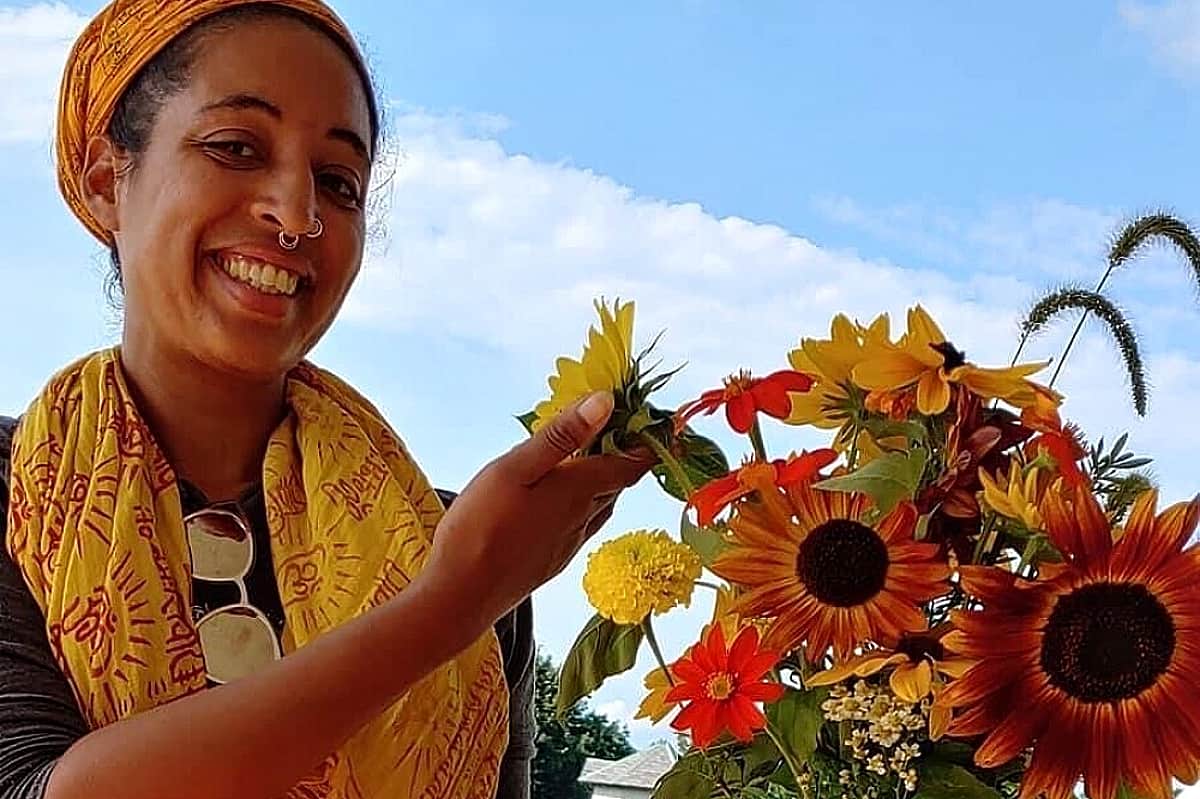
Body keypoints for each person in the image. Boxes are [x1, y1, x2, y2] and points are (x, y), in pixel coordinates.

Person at [0, 2, 653, 798]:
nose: (296, 213)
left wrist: (476, 591)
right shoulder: (15, 492)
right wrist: (447, 607)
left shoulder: (451, 536)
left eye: (338, 183)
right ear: (108, 183)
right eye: (236, 147)